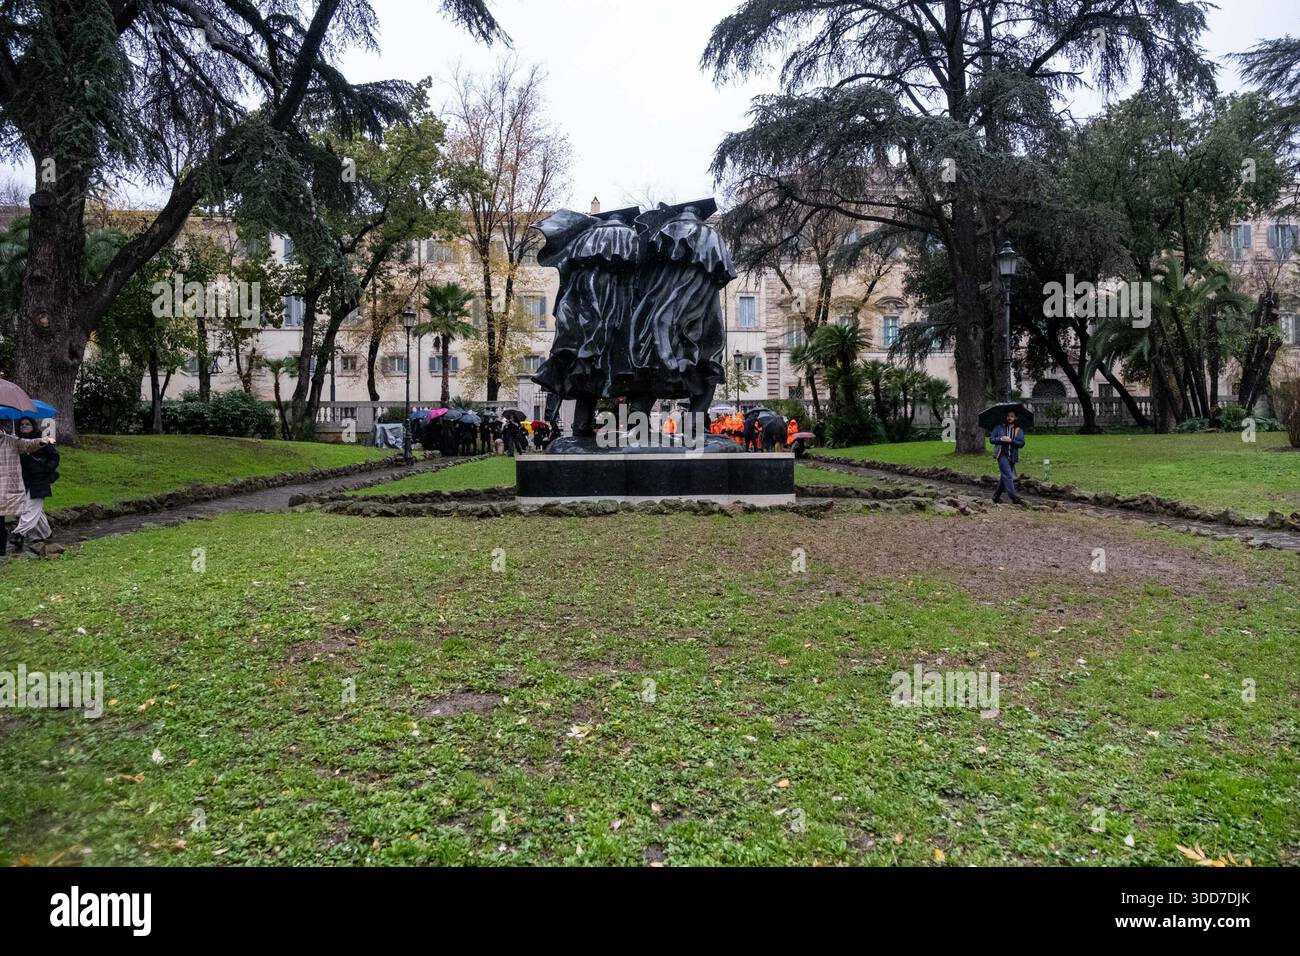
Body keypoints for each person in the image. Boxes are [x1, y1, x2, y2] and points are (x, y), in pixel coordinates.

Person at [0, 419, 54, 556]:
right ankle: (46, 533)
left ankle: (18, 534)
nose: (24, 426)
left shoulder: (16, 441)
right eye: (22, 424)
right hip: (22, 479)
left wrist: (46, 469)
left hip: (39, 479)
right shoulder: (15, 439)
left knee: (32, 506)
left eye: (27, 424)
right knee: (34, 510)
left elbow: (53, 457)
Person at [989, 409, 1027, 505]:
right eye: (1008, 416)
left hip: (1012, 456)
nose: (1009, 418)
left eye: (1012, 416)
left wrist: (1011, 441)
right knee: (1008, 475)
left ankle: (996, 497)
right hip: (1001, 455)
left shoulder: (1018, 430)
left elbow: (1021, 443)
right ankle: (1014, 497)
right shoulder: (999, 427)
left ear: (1015, 418)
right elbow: (991, 439)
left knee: (1004, 477)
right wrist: (1001, 439)